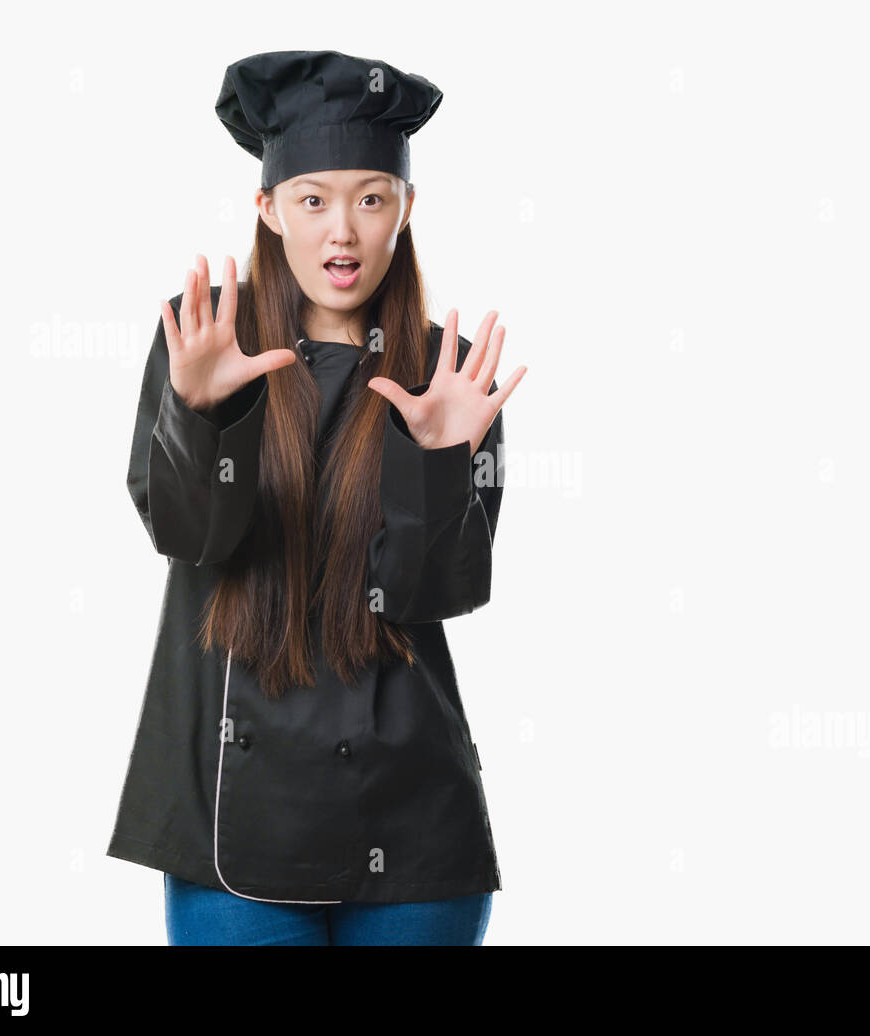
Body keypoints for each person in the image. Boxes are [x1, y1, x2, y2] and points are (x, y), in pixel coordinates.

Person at [106, 50, 526, 946]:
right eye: (313, 200)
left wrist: (441, 459)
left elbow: (434, 595)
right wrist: (202, 413)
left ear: (404, 211)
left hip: (415, 833)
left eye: (372, 198)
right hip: (236, 833)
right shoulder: (202, 338)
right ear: (268, 209)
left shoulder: (444, 371)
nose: (343, 231)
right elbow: (186, 534)